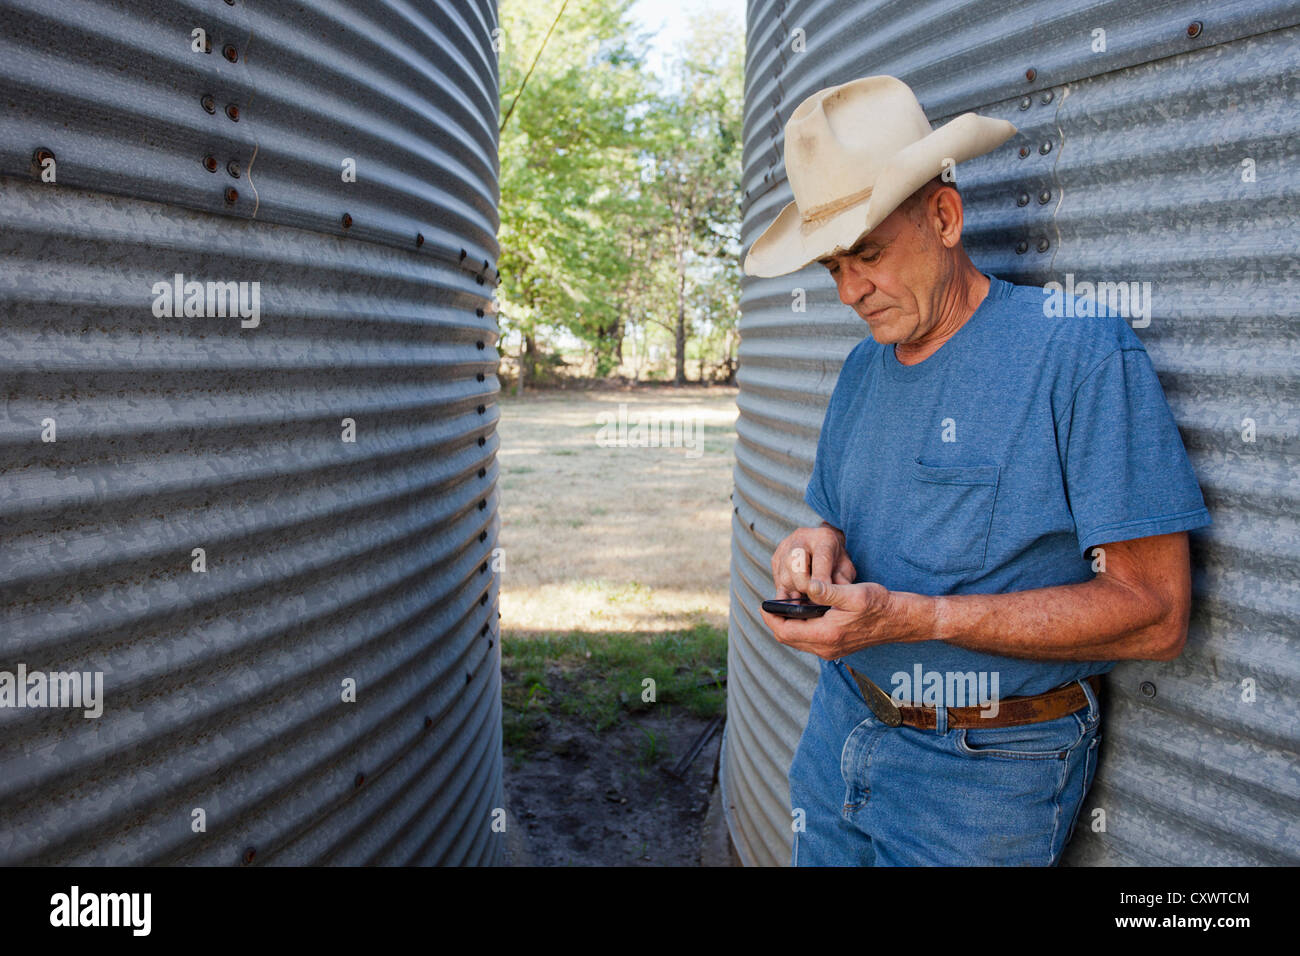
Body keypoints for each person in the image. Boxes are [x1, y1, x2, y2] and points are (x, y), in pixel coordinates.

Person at [742, 75, 1212, 866]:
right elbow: (834, 518)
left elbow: (1156, 614)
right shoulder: (863, 369)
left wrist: (918, 619)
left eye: (867, 252)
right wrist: (808, 548)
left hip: (984, 771)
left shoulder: (1078, 353)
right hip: (838, 731)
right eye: (830, 266)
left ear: (945, 216)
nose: (851, 289)